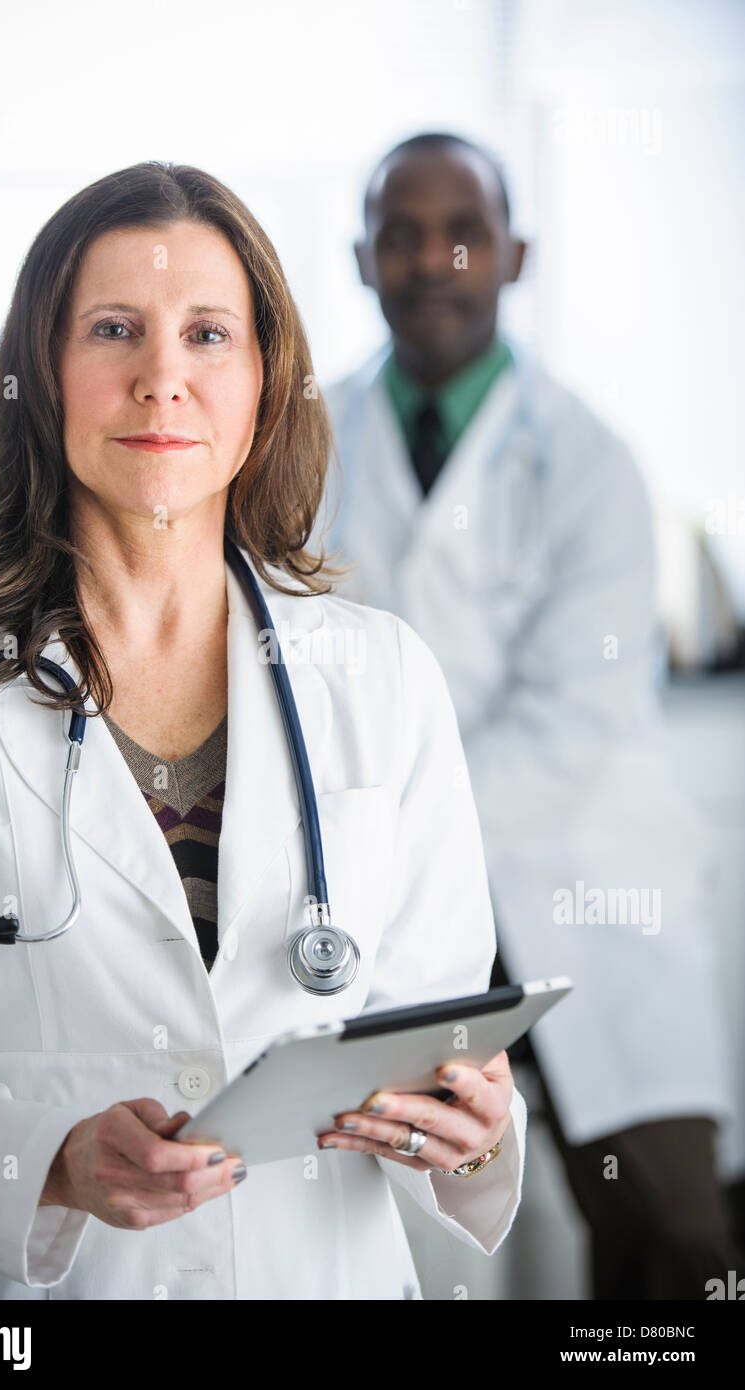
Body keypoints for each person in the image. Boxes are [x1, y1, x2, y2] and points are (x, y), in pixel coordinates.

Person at [0, 160, 527, 1301]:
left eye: (209, 334)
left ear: (268, 382)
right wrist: (50, 1164)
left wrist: (471, 1128)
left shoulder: (381, 679)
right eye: (114, 329)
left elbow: (441, 1049)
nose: (161, 379)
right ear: (41, 370)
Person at [316, 132, 741, 1300]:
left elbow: (576, 714)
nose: (431, 261)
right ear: (360, 258)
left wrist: (389, 824)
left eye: (463, 231)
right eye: (398, 234)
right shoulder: (304, 444)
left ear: (516, 253)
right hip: (387, 905)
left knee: (669, 1232)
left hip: (579, 874)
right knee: (384, 1212)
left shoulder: (592, 461)